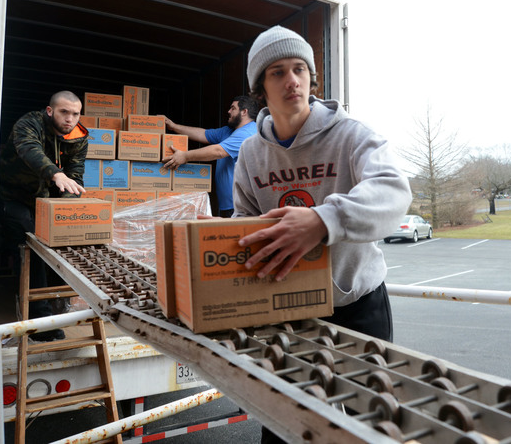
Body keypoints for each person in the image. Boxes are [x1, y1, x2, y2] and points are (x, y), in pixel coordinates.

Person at [234, 25, 412, 342]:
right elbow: (245, 220)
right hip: (285, 308)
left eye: (299, 69)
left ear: (311, 77)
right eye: (277, 72)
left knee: (364, 392)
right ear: (259, 87)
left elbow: (393, 191)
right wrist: (215, 236)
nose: (292, 80)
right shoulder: (250, 152)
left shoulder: (352, 134)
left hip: (356, 305)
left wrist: (322, 220)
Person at [0, 90, 88, 341]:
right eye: (64, 112)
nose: (70, 119)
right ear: (50, 111)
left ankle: (63, 308)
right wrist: (56, 174)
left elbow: (75, 176)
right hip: (13, 195)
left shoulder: (78, 137)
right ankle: (40, 322)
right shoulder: (30, 123)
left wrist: (65, 216)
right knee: (31, 243)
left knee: (58, 243)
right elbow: (29, 150)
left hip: (44, 199)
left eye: (75, 114)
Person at [161, 95, 259, 218]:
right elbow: (203, 134)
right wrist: (173, 126)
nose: (228, 111)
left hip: (244, 206)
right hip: (230, 205)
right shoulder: (229, 131)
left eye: (232, 108)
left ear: (244, 112)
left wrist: (185, 156)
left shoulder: (248, 133)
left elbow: (218, 151)